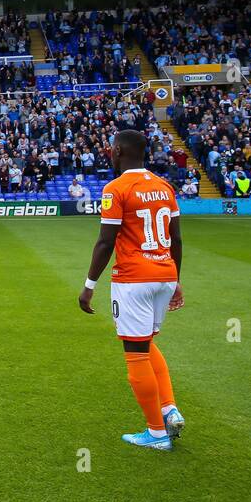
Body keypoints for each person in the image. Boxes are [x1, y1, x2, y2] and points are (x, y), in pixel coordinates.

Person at [78, 129, 186, 451]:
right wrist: (176, 279)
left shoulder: (116, 188)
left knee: (134, 355)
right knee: (145, 343)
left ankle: (156, 433)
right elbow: (176, 239)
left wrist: (88, 287)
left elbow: (105, 241)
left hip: (134, 279)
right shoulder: (164, 186)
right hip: (165, 274)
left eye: (111, 150)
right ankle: (169, 408)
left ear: (117, 152)